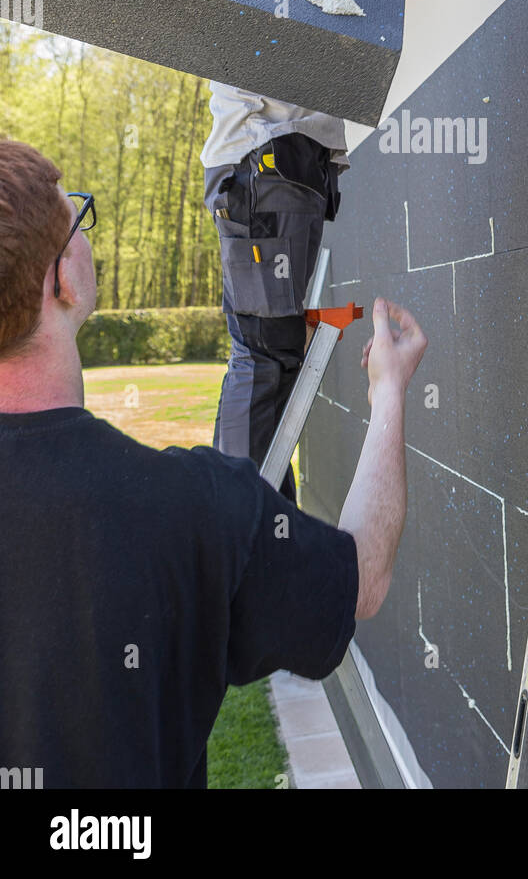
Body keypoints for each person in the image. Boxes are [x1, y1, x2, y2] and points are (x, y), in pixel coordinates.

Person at [0, 138, 427, 788]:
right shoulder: (185, 508)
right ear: (61, 278)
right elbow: (361, 575)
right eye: (77, 217)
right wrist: (391, 391)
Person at [202, 0, 347, 502]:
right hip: (266, 169)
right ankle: (241, 525)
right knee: (264, 355)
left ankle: (263, 520)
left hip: (283, 173)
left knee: (273, 355)